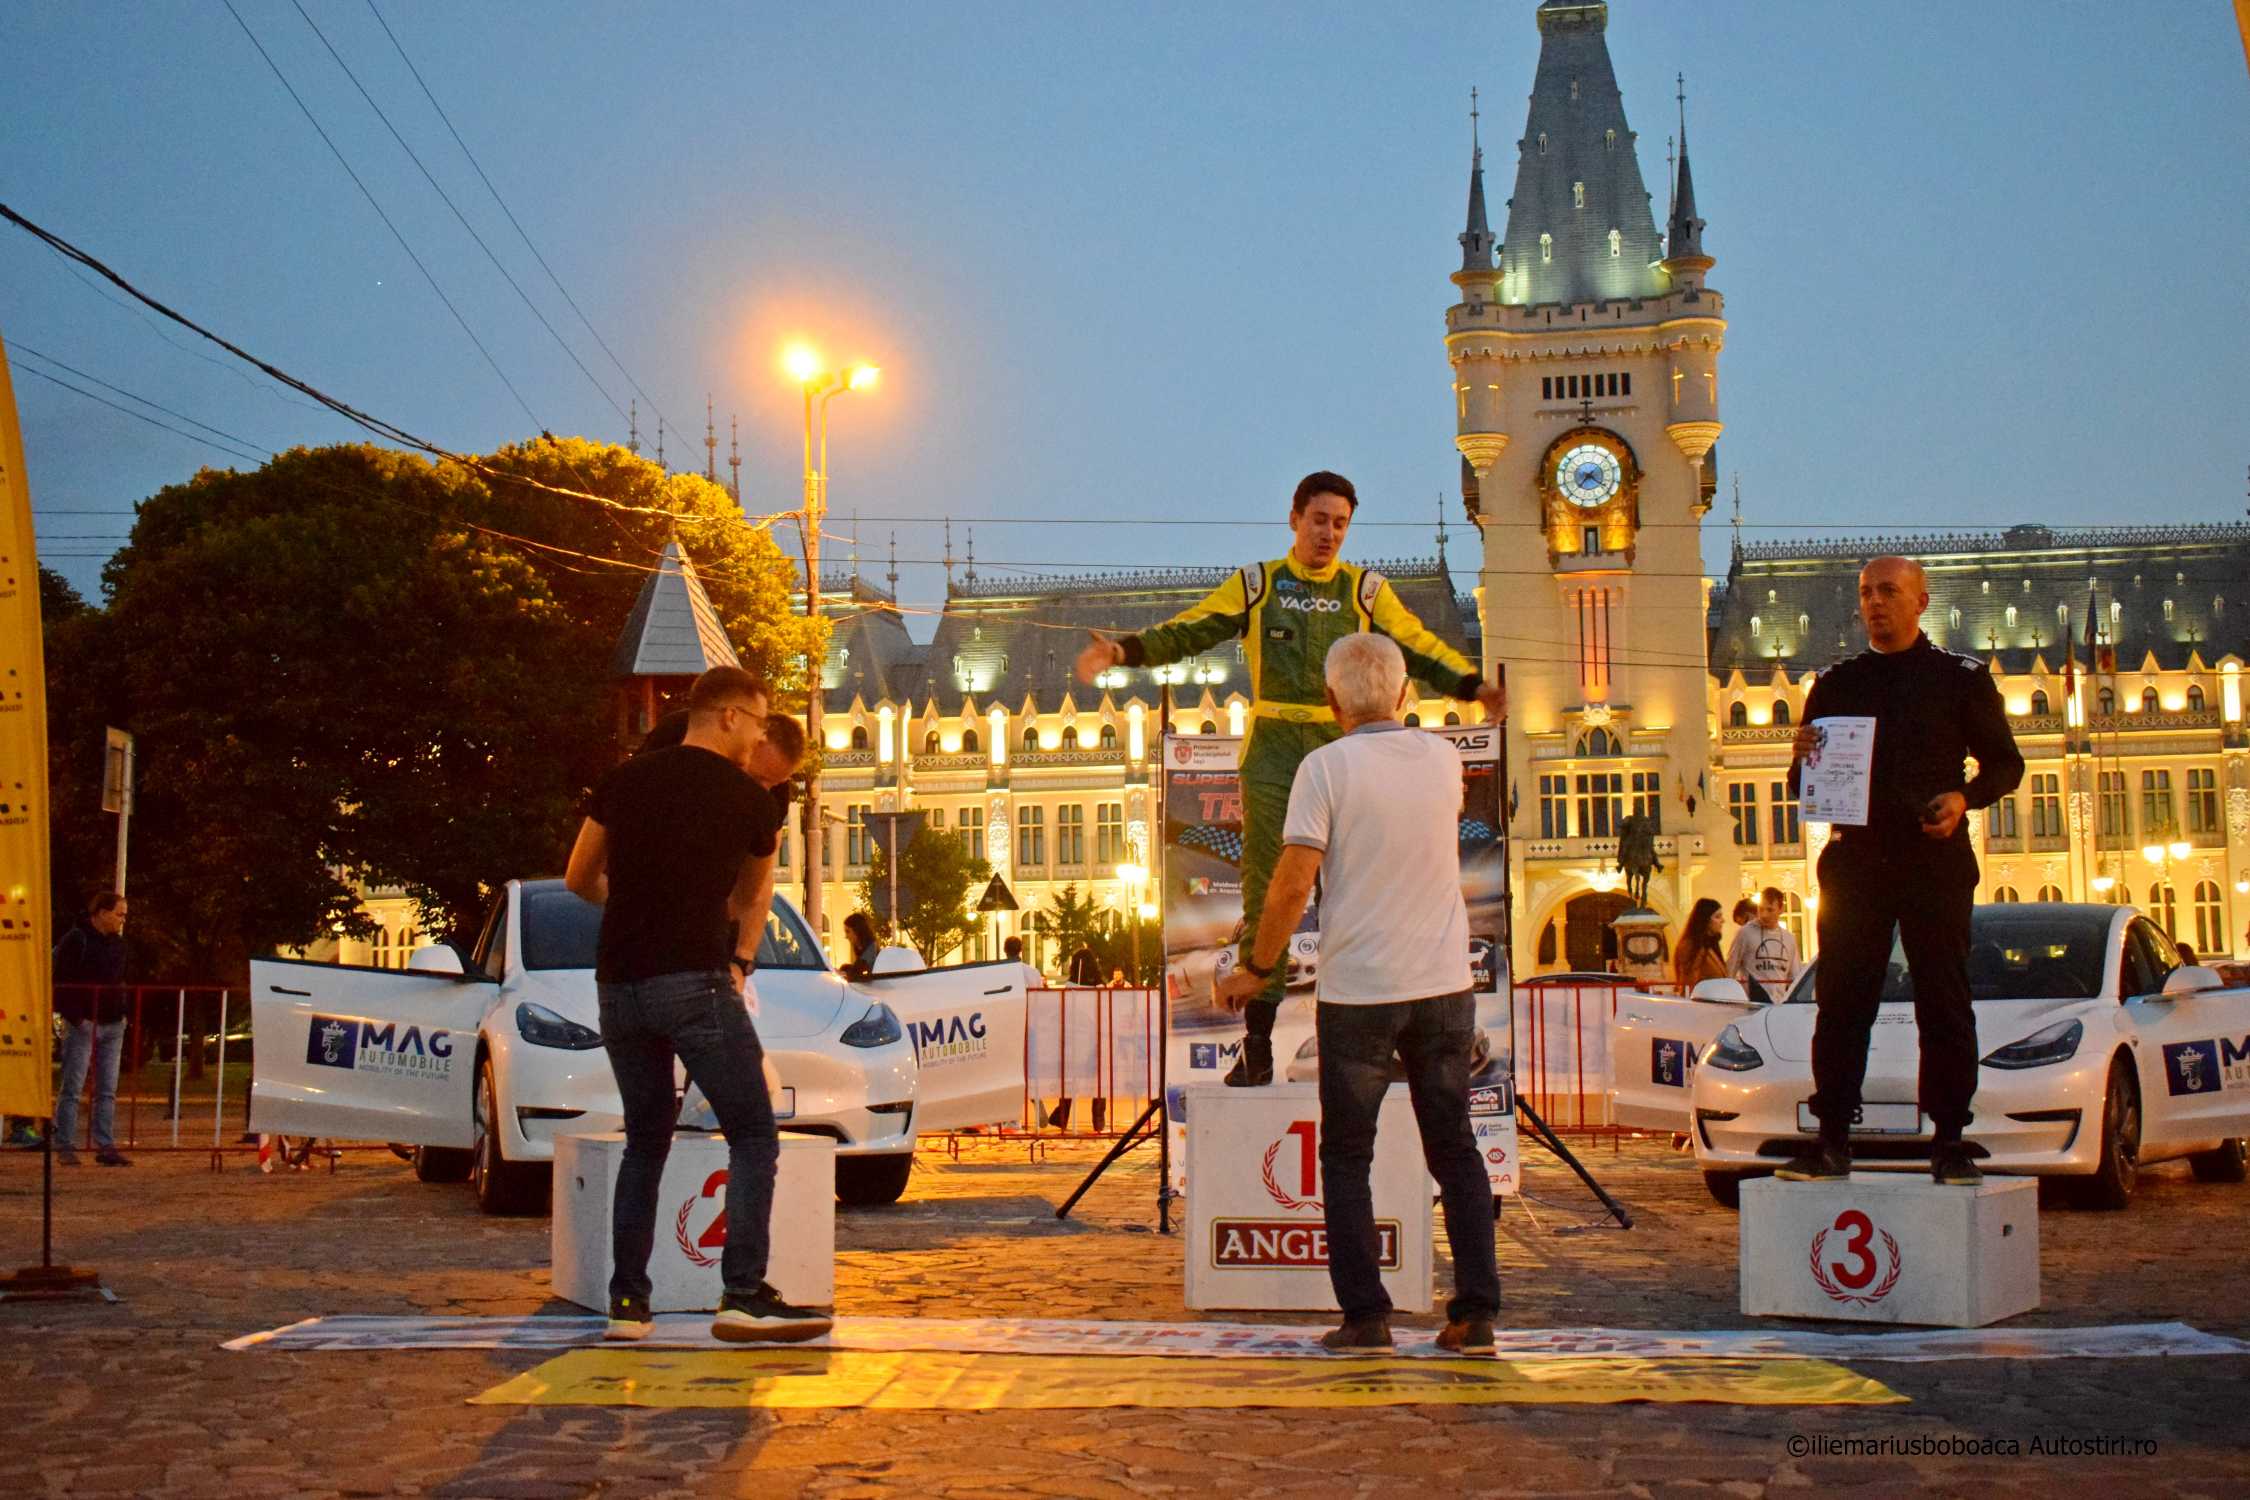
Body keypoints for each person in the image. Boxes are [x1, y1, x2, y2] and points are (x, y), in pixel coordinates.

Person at [1077, 471, 1504, 1087]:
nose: (1329, 533)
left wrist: (1470, 686)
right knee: (1267, 888)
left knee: (1356, 888)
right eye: (1319, 519)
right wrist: (1123, 652)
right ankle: (1257, 1045)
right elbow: (1190, 628)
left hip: (1347, 743)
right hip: (1274, 749)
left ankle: (1368, 1034)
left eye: (1340, 524)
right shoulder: (1257, 585)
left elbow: (1415, 646)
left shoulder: (1366, 589)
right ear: (1295, 518)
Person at [1216, 634, 1501, 1356]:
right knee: (1454, 1147)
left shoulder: (1324, 767)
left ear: (1331, 700)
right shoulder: (1443, 758)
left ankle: (1366, 1318)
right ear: (1404, 696)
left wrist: (1257, 965)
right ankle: (1474, 1315)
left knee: (1347, 1156)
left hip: (1361, 989)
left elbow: (1292, 881)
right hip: (1443, 983)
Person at [564, 665, 829, 1344]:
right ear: (730, 716)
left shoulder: (624, 781)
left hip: (618, 983)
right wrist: (727, 947)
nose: (760, 737)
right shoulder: (751, 804)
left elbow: (577, 878)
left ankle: (629, 1302)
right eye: (759, 720)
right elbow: (750, 900)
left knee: (644, 1140)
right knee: (752, 1132)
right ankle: (742, 1292)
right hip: (694, 981)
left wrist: (631, 903)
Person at [1780, 556, 2024, 1187]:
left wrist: (1963, 800)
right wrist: (1801, 758)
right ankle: (1832, 1137)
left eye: (1889, 591)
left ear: (1921, 601)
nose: (1875, 602)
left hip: (1932, 858)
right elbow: (1801, 786)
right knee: (1841, 1001)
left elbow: (2005, 765)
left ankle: (1949, 1139)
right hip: (1856, 861)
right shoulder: (1835, 683)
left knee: (1943, 998)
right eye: (1866, 593)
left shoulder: (1960, 678)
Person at [52, 892, 132, 1167]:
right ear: (101, 912)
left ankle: (104, 1143)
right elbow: (59, 981)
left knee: (107, 1088)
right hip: (84, 1021)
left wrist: (122, 1013)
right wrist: (76, 1017)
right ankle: (64, 1142)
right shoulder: (76, 940)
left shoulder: (118, 945)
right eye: (119, 914)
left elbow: (117, 980)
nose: (122, 920)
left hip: (112, 1021)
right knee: (73, 1085)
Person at [1726, 887, 1802, 1002]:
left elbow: (1795, 976)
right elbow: (1730, 969)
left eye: (1770, 910)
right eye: (1761, 909)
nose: (1764, 915)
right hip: (1752, 1005)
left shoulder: (1789, 939)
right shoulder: (1745, 933)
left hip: (1779, 1004)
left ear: (1781, 909)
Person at [1671, 898, 1727, 991]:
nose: (1723, 920)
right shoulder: (1691, 946)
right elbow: (1689, 982)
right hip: (1702, 1002)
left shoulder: (1709, 945)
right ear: (1705, 920)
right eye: (1717, 917)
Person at [841, 912, 882, 981]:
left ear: (857, 930)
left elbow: (857, 971)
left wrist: (843, 972)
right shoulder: (859, 946)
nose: (846, 936)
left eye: (848, 931)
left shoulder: (871, 948)